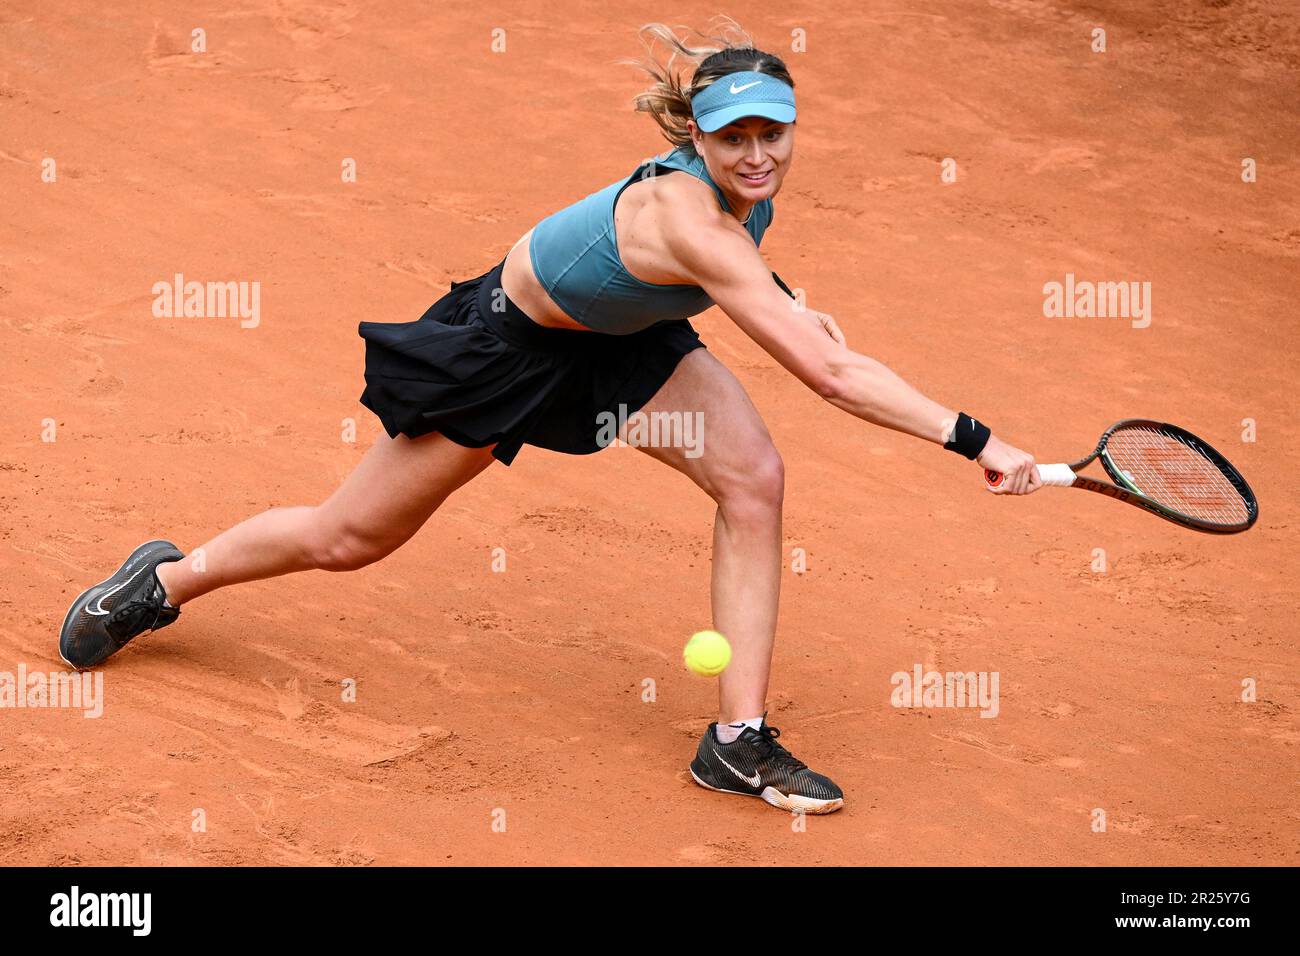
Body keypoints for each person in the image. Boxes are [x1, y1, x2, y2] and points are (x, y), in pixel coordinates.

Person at [57, 20, 1040, 816]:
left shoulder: (741, 199)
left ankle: (735, 741)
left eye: (770, 134)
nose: (754, 155)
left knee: (753, 477)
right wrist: (980, 441)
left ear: (791, 129)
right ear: (691, 138)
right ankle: (165, 579)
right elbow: (825, 372)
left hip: (625, 344)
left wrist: (785, 291)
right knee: (348, 535)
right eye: (731, 137)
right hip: (508, 354)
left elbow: (747, 272)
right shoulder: (686, 216)